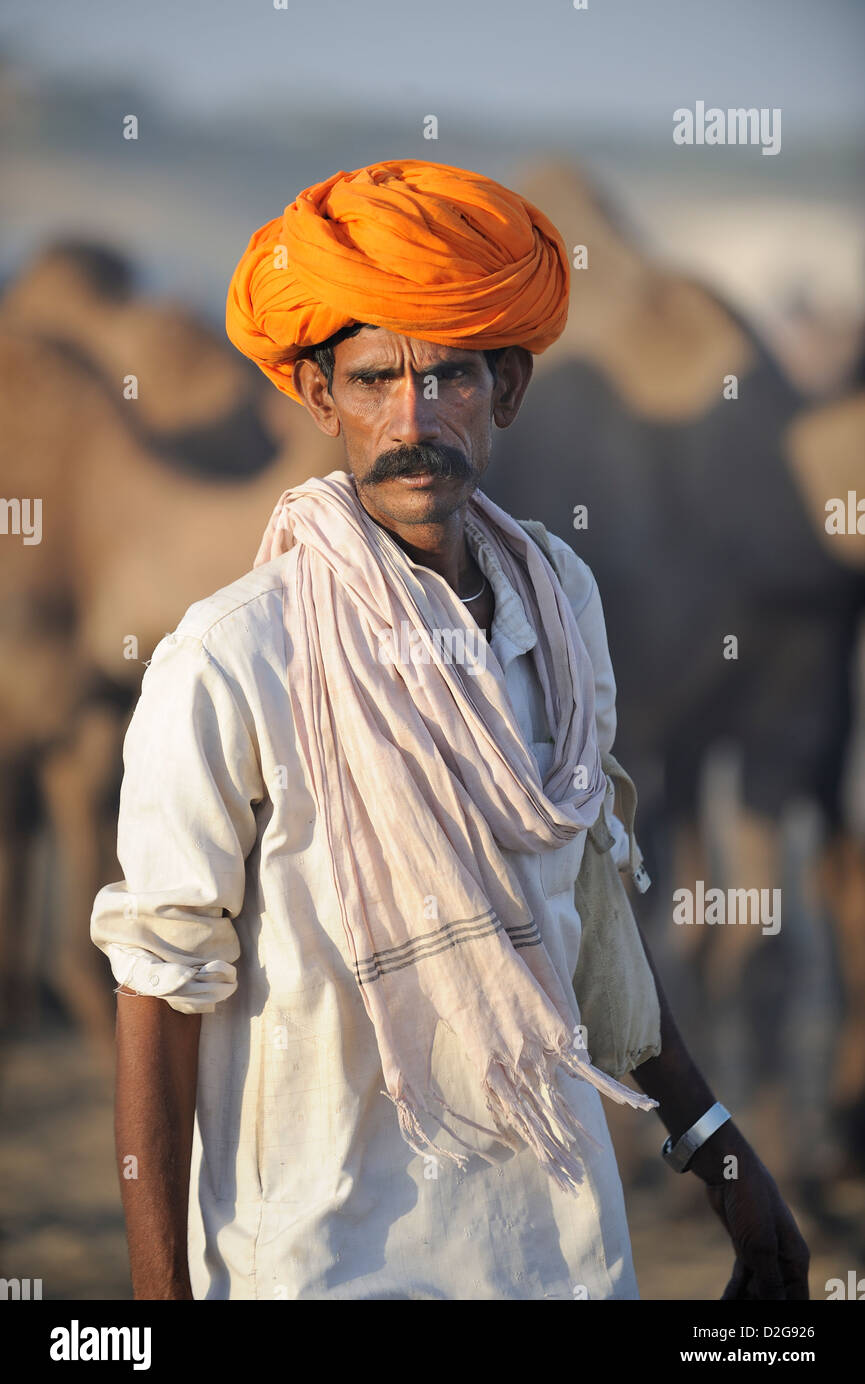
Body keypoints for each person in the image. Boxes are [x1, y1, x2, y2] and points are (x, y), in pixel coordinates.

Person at [91, 158, 809, 1301]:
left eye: (451, 379)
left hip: (561, 1253)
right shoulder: (235, 657)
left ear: (508, 390)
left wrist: (724, 1158)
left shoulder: (562, 609)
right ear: (321, 398)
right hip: (328, 1262)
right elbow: (160, 982)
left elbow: (588, 915)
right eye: (376, 379)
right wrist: (154, 1300)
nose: (412, 421)